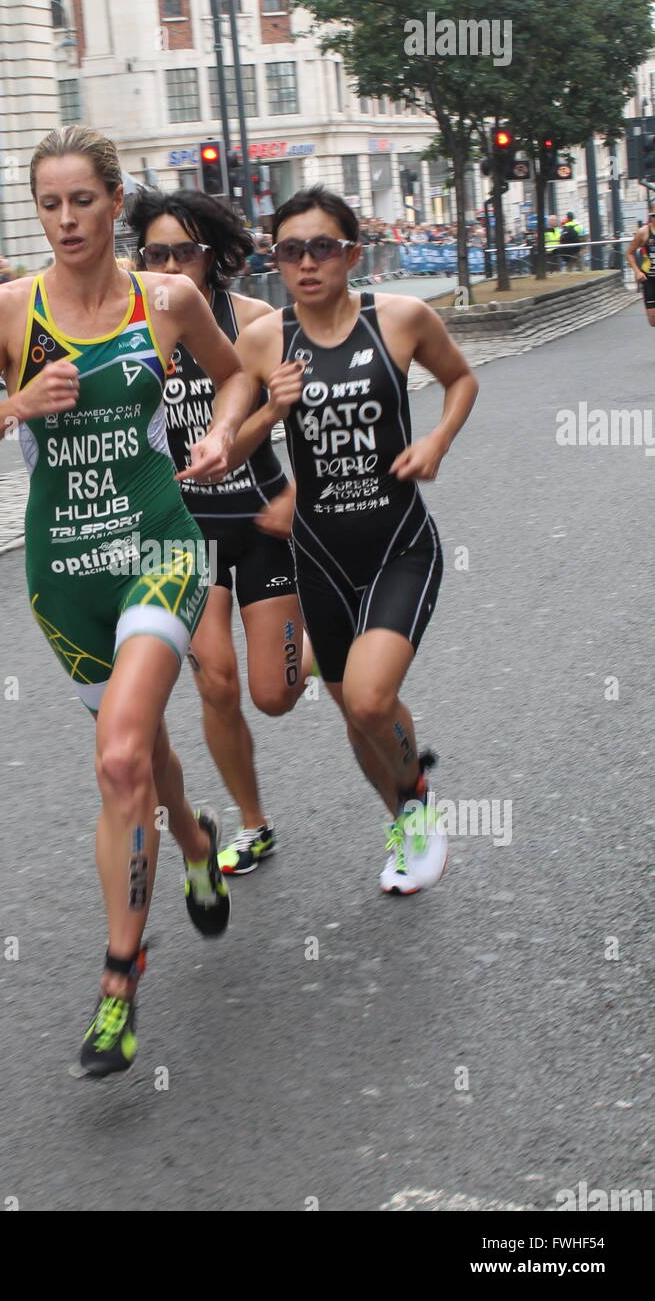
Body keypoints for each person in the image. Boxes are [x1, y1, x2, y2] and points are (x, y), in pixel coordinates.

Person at [0, 124, 256, 1077]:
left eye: (83, 200)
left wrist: (221, 436)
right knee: (141, 757)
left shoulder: (167, 298)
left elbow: (236, 375)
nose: (67, 220)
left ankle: (119, 982)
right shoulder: (5, 312)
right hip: (63, 575)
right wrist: (15, 407)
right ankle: (193, 840)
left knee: (117, 758)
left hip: (156, 545)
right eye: (49, 204)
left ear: (116, 203)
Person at [239, 186, 478, 895]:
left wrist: (436, 440)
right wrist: (271, 416)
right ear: (276, 260)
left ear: (351, 253)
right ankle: (405, 820)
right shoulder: (263, 341)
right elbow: (227, 444)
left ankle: (416, 799)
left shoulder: (399, 319)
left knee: (372, 702)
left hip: (398, 544)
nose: (306, 263)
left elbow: (460, 379)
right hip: (318, 558)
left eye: (322, 247)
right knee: (356, 717)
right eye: (290, 250)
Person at [127, 187, 311, 876]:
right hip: (180, 530)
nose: (172, 266)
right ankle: (253, 823)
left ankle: (320, 644)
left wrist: (295, 489)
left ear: (213, 256)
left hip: (259, 515)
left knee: (273, 694)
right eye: (157, 254)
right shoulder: (132, 329)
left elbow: (308, 415)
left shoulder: (256, 321)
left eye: (186, 252)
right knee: (216, 683)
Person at [625, 207, 655, 324]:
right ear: (650, 216)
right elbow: (629, 253)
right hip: (649, 278)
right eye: (653, 216)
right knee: (652, 320)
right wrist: (638, 272)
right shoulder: (644, 232)